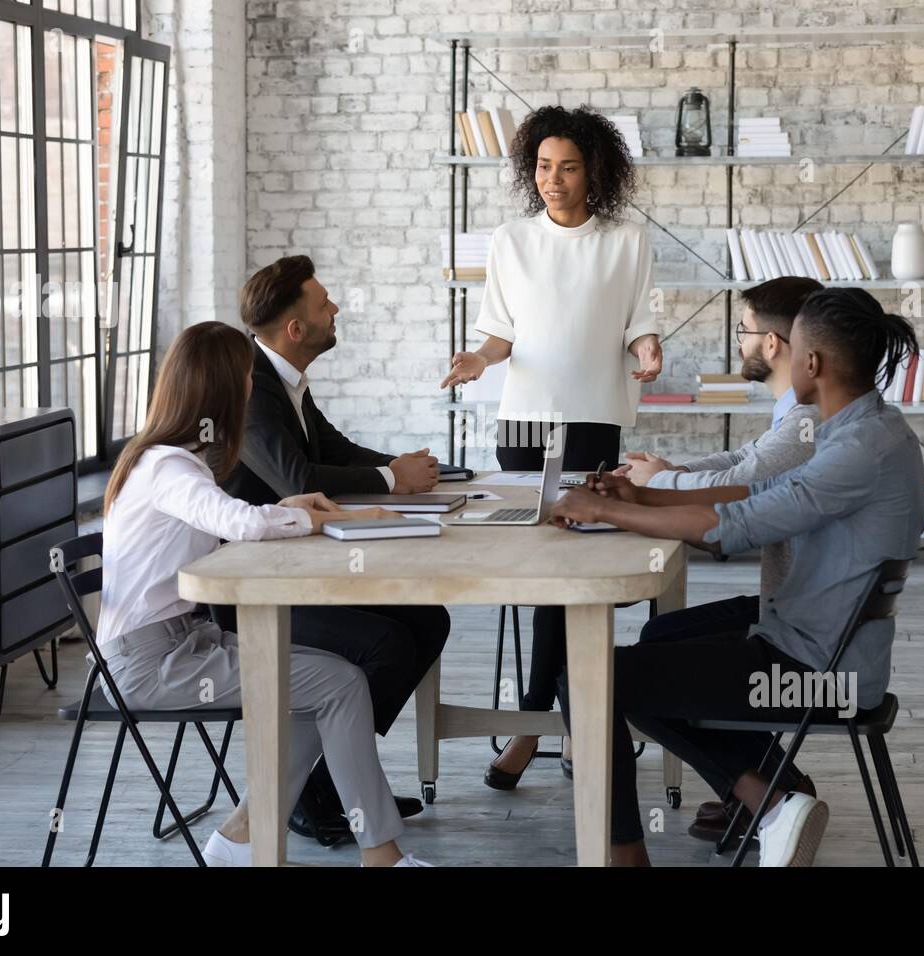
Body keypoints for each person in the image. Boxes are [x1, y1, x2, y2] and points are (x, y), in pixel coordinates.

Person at [550, 288, 924, 866]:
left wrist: (606, 511)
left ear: (811, 363)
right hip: (824, 651)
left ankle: (625, 855)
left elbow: (738, 525)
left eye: (791, 347)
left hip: (818, 676)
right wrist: (639, 493)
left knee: (590, 678)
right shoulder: (869, 428)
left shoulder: (858, 448)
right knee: (643, 656)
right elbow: (762, 491)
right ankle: (772, 803)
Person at [97, 321, 431, 867]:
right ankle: (382, 858)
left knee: (317, 685)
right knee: (341, 682)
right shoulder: (169, 467)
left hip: (183, 643)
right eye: (246, 376)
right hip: (150, 663)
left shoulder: (168, 459)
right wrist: (305, 521)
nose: (253, 386)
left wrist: (290, 510)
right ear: (223, 388)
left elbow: (234, 522)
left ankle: (241, 838)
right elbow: (239, 522)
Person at [438, 105, 662, 789]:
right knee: (546, 582)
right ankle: (571, 731)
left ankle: (538, 731)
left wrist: (649, 349)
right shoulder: (510, 240)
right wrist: (479, 360)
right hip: (525, 427)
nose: (553, 180)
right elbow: (501, 334)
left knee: (570, 585)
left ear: (594, 170)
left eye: (567, 167)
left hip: (595, 422)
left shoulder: (627, 242)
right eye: (542, 167)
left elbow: (638, 329)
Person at [221, 256, 451, 845]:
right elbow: (294, 475)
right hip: (245, 596)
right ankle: (310, 794)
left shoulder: (285, 379)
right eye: (325, 304)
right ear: (296, 330)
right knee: (388, 642)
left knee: (427, 622)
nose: (336, 310)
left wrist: (408, 469)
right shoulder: (250, 384)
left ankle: (327, 781)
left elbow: (335, 448)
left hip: (293, 571)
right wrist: (392, 480)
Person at [619, 276, 824, 842]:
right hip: (803, 612)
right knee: (659, 639)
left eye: (744, 330)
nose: (739, 341)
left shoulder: (810, 423)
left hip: (804, 638)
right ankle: (777, 786)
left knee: (609, 676)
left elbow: (744, 483)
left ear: (773, 344)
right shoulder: (800, 414)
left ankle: (764, 797)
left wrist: (660, 482)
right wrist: (667, 472)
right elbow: (745, 459)